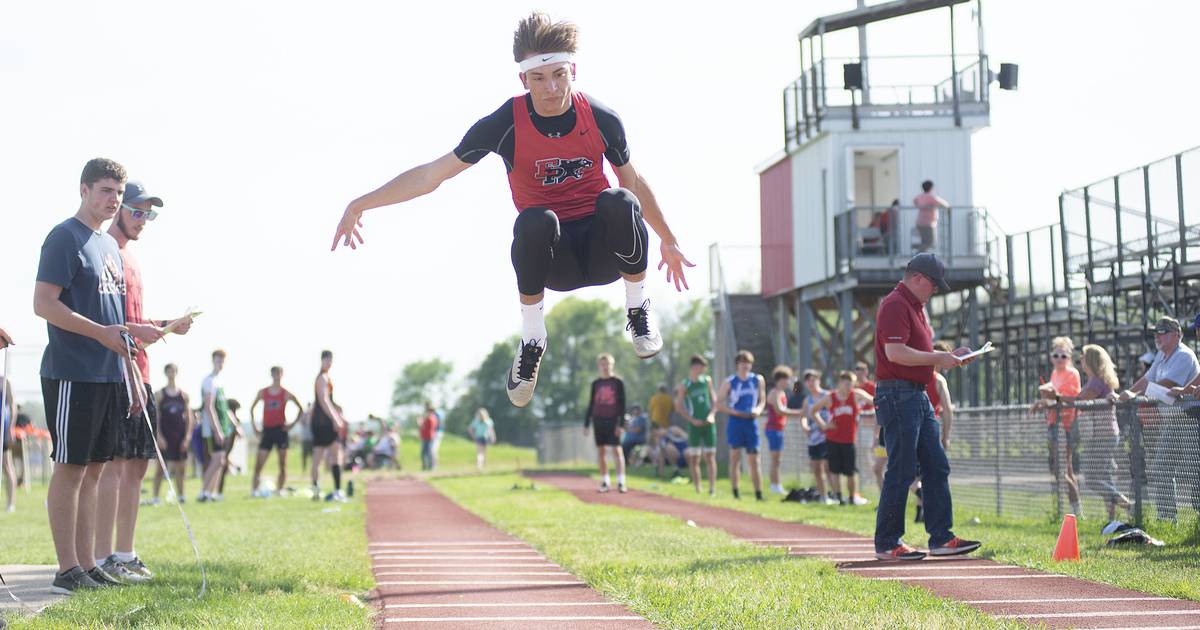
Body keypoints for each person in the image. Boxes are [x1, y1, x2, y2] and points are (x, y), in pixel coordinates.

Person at [331, 12, 695, 410]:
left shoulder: (601, 118)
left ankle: (637, 307)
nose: (551, 88)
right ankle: (533, 338)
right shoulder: (506, 123)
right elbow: (432, 175)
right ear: (523, 80)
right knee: (535, 220)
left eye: (559, 75)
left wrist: (668, 240)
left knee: (620, 200)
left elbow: (635, 183)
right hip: (553, 261)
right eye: (538, 79)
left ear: (573, 70)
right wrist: (361, 203)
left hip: (604, 251)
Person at [35, 158, 140, 592]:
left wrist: (137, 345)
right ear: (83, 190)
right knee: (71, 468)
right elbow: (44, 304)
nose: (113, 200)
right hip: (71, 371)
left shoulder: (109, 246)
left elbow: (113, 320)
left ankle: (86, 563)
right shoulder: (64, 237)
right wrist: (100, 334)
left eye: (118, 192)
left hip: (108, 375)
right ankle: (66, 570)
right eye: (105, 191)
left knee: (96, 469)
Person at [95, 180, 192, 584]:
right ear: (117, 208)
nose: (142, 220)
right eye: (136, 211)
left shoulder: (131, 258)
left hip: (143, 371)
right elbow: (107, 321)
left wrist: (166, 325)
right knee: (114, 468)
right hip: (118, 372)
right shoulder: (103, 252)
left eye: (148, 214)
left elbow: (134, 319)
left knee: (136, 468)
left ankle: (125, 552)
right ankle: (101, 558)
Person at [873, 253, 980, 561]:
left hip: (916, 394)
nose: (935, 291)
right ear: (918, 278)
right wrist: (938, 358)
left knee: (936, 465)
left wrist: (950, 356)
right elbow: (895, 353)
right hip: (898, 395)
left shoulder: (914, 306)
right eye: (933, 285)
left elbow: (915, 353)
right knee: (903, 468)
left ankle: (941, 538)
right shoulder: (895, 304)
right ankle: (888, 543)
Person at [1126, 317, 1200, 521]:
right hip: (1173, 420)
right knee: (1160, 468)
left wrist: (1143, 392)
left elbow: (1166, 384)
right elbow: (1148, 379)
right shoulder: (1161, 355)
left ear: (1177, 334)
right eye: (1156, 332)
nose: (1157, 336)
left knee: (1196, 472)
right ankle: (1167, 519)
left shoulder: (1184, 355)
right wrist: (1127, 393)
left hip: (1190, 419)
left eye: (1163, 332)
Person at [1075, 345, 1133, 521]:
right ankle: (1112, 519)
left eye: (1083, 357)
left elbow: (1079, 399)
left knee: (1091, 478)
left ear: (1091, 360)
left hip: (1102, 435)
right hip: (1105, 434)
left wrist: (1057, 396)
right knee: (1105, 475)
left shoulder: (1096, 382)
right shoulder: (1097, 380)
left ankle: (1126, 504)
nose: (1081, 360)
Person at [1030, 337, 1083, 516]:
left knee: (1061, 469)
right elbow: (1054, 399)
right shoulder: (1054, 373)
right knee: (1063, 469)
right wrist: (1042, 401)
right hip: (1054, 422)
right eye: (1056, 355)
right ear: (1051, 357)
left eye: (1063, 355)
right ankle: (1073, 511)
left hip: (1066, 424)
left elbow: (1073, 398)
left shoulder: (1072, 373)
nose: (1059, 358)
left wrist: (1054, 395)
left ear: (1069, 357)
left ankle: (1075, 510)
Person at [810, 371, 874, 506]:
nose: (848, 386)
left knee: (851, 472)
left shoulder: (855, 395)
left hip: (849, 440)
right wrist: (824, 425)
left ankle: (851, 498)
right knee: (834, 470)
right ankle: (838, 497)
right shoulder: (830, 397)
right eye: (846, 383)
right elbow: (813, 411)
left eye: (851, 383)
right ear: (840, 383)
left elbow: (873, 400)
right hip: (833, 438)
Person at [716, 350, 766, 501]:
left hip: (751, 423)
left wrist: (758, 410)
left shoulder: (757, 380)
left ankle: (758, 494)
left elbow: (762, 400)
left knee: (754, 459)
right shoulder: (730, 382)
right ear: (737, 364)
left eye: (748, 363)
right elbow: (718, 404)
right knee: (735, 458)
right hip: (736, 422)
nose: (746, 365)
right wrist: (735, 412)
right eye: (743, 362)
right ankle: (735, 492)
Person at [249, 366, 305, 497]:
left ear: (282, 375)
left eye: (278, 373)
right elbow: (252, 409)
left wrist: (291, 425)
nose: (276, 376)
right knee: (259, 463)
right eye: (274, 373)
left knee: (282, 463)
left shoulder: (286, 393)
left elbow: (300, 409)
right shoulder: (263, 392)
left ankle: (280, 490)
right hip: (267, 431)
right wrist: (254, 427)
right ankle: (254, 491)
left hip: (281, 431)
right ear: (271, 375)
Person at [584, 353, 627, 493]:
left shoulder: (618, 382)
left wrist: (621, 425)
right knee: (601, 450)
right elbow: (591, 404)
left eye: (607, 363)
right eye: (602, 364)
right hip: (598, 420)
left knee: (616, 449)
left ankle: (621, 482)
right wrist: (586, 423)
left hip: (614, 420)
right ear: (599, 366)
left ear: (612, 365)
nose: (605, 366)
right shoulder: (595, 383)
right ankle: (605, 481)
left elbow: (622, 404)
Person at [151, 363, 192, 505]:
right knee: (161, 469)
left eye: (173, 371)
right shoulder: (160, 394)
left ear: (176, 373)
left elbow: (189, 418)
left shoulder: (184, 395)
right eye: (169, 371)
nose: (171, 374)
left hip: (180, 436)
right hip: (165, 436)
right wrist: (158, 436)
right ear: (165, 373)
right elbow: (156, 416)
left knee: (181, 468)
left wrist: (187, 437)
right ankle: (155, 497)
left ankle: (181, 496)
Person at [676, 355, 718, 496]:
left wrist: (712, 415)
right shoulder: (685, 384)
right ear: (694, 367)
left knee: (710, 456)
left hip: (708, 424)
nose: (703, 369)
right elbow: (679, 406)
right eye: (701, 366)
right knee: (695, 458)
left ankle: (712, 488)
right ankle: (698, 488)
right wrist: (691, 420)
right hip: (694, 425)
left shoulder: (707, 380)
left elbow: (714, 400)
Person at [310, 350, 348, 502]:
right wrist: (336, 419)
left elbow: (326, 401)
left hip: (320, 422)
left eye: (331, 361)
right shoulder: (323, 378)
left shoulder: (324, 377)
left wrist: (337, 410)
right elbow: (323, 400)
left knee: (320, 457)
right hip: (324, 423)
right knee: (333, 455)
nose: (329, 363)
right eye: (327, 360)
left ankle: (317, 489)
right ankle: (335, 490)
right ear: (322, 360)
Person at [199, 350, 235, 502]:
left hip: (223, 427)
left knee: (220, 461)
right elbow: (209, 406)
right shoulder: (209, 381)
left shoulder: (220, 381)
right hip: (213, 429)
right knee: (217, 460)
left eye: (222, 360)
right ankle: (203, 493)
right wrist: (217, 430)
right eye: (218, 360)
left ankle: (211, 493)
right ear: (213, 360)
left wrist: (235, 425)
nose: (220, 363)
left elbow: (224, 408)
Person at [764, 366, 805, 495]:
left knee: (778, 459)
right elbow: (779, 410)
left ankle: (777, 484)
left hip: (779, 428)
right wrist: (800, 413)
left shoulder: (781, 393)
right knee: (775, 458)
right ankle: (774, 485)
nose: (788, 383)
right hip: (773, 428)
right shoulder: (774, 393)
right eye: (786, 380)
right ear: (780, 380)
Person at [799, 369, 836, 504]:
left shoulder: (827, 396)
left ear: (819, 381)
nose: (811, 383)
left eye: (814, 380)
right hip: (813, 438)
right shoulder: (807, 400)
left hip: (827, 437)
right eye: (808, 381)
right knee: (816, 469)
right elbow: (803, 416)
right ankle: (823, 496)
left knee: (828, 467)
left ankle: (836, 495)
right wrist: (804, 426)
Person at [912, 181, 949, 253]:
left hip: (920, 222)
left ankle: (920, 257)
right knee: (930, 242)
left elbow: (914, 201)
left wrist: (920, 207)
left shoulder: (920, 196)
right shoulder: (931, 196)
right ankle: (917, 255)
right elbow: (944, 204)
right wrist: (947, 210)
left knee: (924, 241)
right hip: (928, 223)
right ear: (931, 188)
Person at [647, 385, 674, 477]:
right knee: (662, 447)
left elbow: (650, 411)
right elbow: (672, 410)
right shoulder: (669, 399)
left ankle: (658, 468)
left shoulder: (654, 398)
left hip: (656, 424)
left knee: (658, 447)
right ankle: (661, 470)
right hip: (665, 425)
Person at [1, 372, 15, 513]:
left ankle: (10, 503)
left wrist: (11, 428)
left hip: (2, 430)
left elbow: (12, 405)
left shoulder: (5, 380)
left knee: (6, 465)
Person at [419, 403, 439, 471]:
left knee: (427, 453)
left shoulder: (431, 418)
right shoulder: (430, 418)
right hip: (426, 437)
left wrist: (420, 423)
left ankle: (430, 467)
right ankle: (427, 467)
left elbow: (425, 427)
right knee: (426, 453)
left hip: (429, 437)